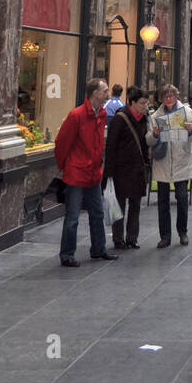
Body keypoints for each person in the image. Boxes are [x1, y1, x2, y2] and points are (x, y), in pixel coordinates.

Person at [54, 78, 116, 266]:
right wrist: (66, 166)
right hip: (77, 173)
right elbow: (61, 143)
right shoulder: (77, 115)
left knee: (97, 213)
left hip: (94, 173)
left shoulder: (101, 114)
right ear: (95, 94)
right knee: (72, 217)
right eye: (105, 91)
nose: (108, 94)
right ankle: (67, 255)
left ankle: (99, 249)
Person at [148, 83, 192, 248]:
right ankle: (165, 236)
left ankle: (182, 231)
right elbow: (148, 140)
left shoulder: (187, 112)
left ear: (176, 97)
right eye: (166, 96)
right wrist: (155, 134)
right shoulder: (156, 115)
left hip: (181, 161)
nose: (169, 99)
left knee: (182, 198)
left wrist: (190, 131)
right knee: (163, 201)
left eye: (172, 96)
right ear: (162, 98)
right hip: (163, 163)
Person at [103, 87, 150, 249]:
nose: (145, 106)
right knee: (120, 205)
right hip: (121, 169)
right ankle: (118, 238)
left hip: (137, 169)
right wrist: (108, 172)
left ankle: (132, 237)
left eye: (146, 103)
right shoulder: (120, 118)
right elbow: (111, 146)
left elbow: (144, 144)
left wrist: (146, 163)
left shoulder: (144, 119)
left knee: (136, 205)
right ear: (132, 102)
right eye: (142, 103)